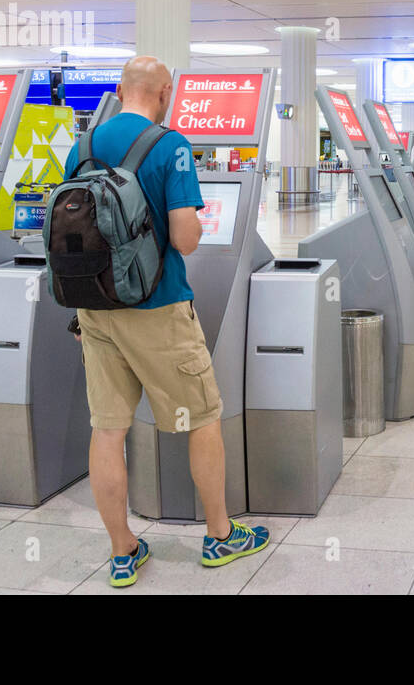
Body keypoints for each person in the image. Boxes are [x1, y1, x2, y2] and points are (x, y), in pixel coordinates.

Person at [63, 55, 268, 588]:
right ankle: (220, 536)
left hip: (96, 309)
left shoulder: (81, 147)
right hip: (158, 308)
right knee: (201, 416)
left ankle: (123, 549)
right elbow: (184, 238)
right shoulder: (169, 144)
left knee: (107, 429)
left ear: (120, 90)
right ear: (163, 93)